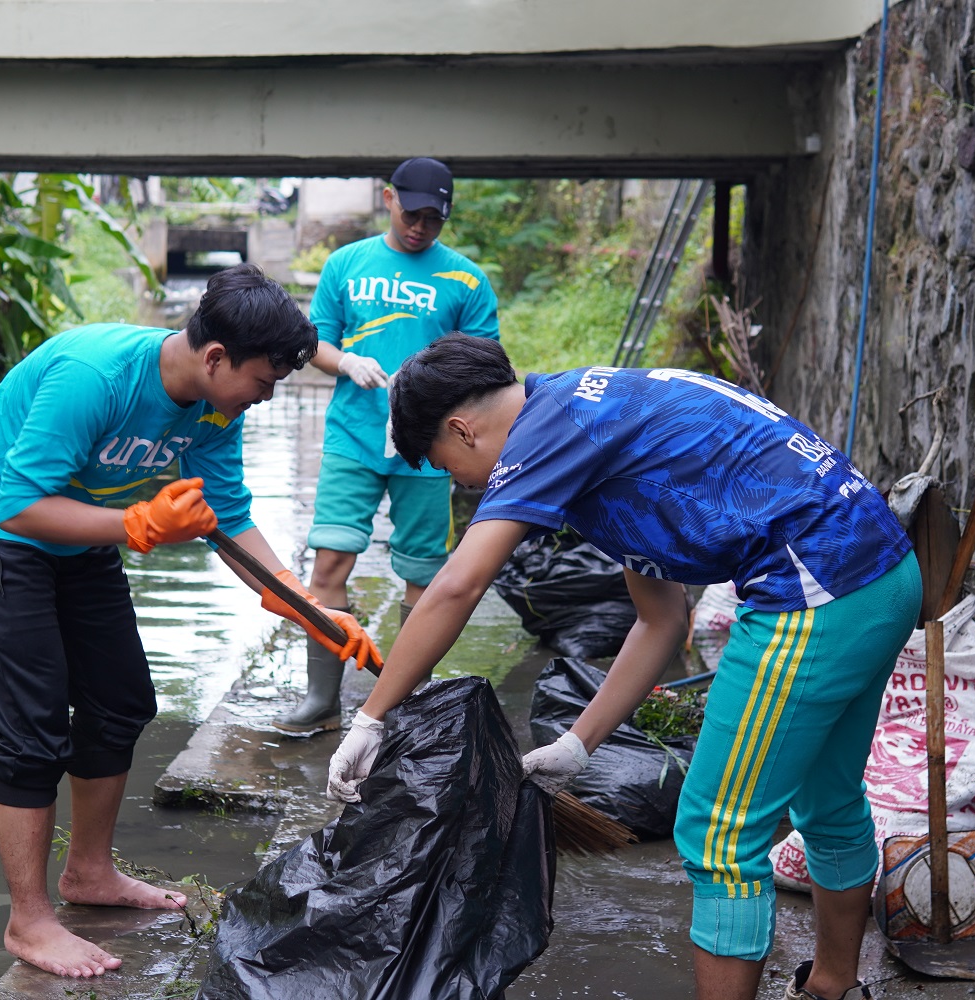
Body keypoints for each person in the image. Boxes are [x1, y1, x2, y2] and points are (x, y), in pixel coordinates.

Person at [324, 335, 920, 1000]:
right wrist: (578, 744)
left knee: (720, 834)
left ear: (461, 428)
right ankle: (832, 986)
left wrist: (373, 717)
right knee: (827, 799)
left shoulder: (545, 434)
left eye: (450, 466)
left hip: (813, 597)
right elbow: (658, 620)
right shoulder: (593, 416)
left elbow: (456, 587)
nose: (467, 486)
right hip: (882, 578)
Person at [0, 264, 382, 980]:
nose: (264, 399)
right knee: (34, 731)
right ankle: (29, 921)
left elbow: (227, 519)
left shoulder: (214, 409)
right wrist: (138, 523)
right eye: (263, 382)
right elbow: (20, 505)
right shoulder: (93, 375)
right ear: (214, 358)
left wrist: (307, 610)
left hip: (80, 530)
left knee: (121, 701)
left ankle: (89, 874)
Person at [272, 157, 500, 734]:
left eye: (433, 218)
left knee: (425, 574)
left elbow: (486, 367)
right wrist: (345, 360)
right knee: (330, 561)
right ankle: (321, 700)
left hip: (429, 447)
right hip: (354, 436)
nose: (420, 226)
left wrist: (434, 383)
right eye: (411, 211)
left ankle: (407, 704)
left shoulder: (467, 281)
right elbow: (314, 342)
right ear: (387, 198)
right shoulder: (346, 264)